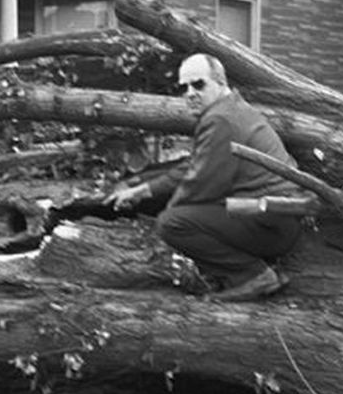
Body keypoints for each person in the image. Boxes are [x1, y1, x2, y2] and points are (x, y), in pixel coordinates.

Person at [111, 53, 302, 301]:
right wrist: (143, 189)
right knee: (181, 212)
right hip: (276, 216)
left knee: (172, 223)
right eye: (184, 87)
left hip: (270, 224)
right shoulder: (231, 108)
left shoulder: (220, 119)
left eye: (198, 84)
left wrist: (169, 213)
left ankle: (252, 275)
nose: (190, 93)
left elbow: (200, 183)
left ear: (220, 82)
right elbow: (195, 165)